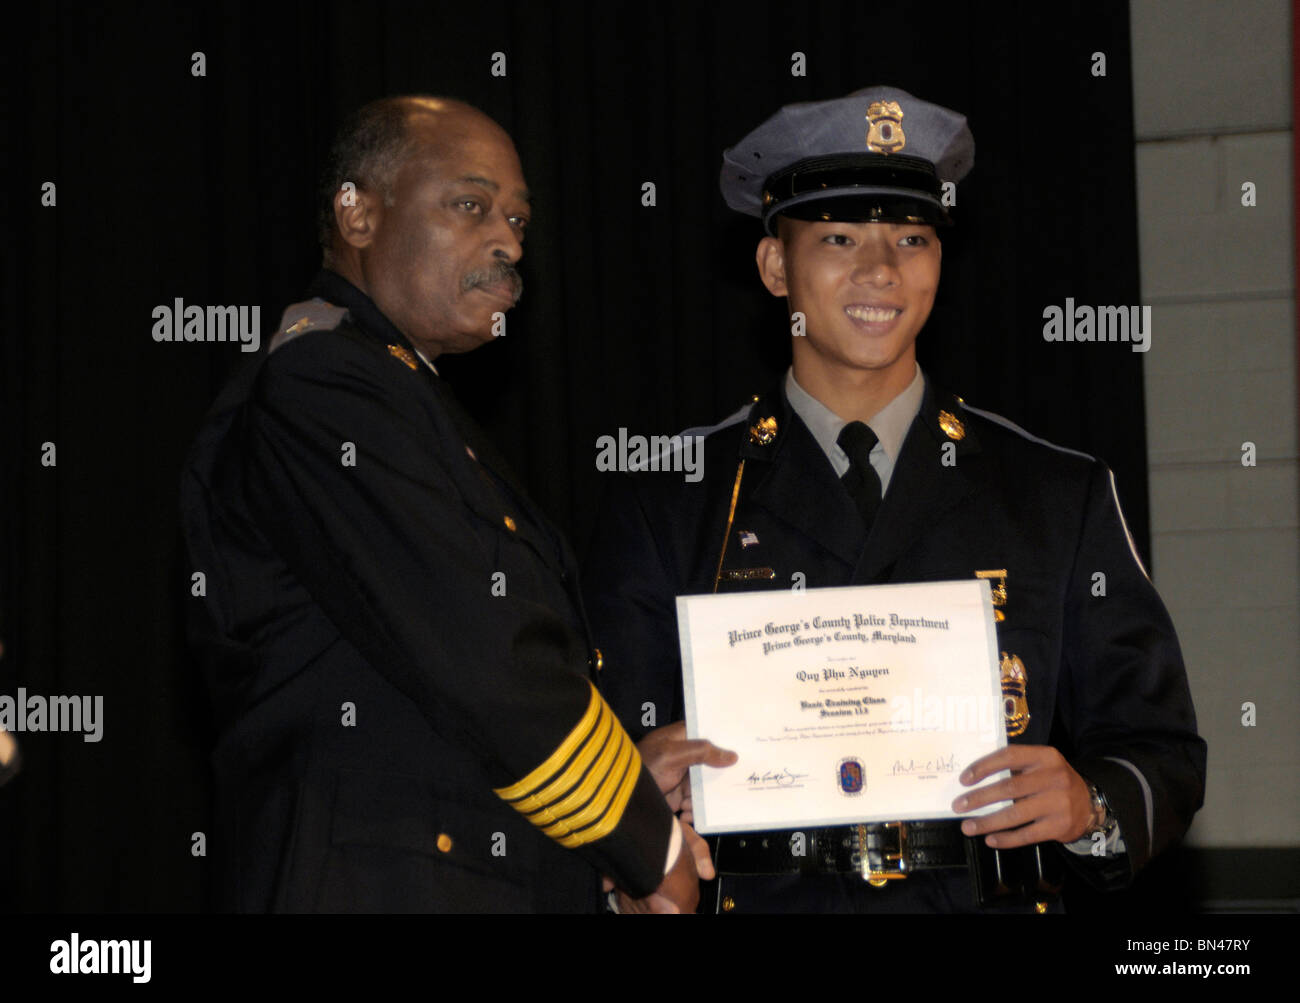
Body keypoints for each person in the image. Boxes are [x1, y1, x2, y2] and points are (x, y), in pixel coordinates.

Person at [582, 87, 1206, 913]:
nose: (881, 270)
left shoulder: (1056, 490)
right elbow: (597, 767)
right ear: (775, 267)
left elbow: (1161, 750)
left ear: (940, 264)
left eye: (911, 239)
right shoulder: (672, 500)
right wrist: (634, 795)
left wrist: (1089, 805)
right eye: (840, 238)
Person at [180, 95, 730, 913]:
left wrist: (620, 802)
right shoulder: (325, 381)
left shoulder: (403, 396)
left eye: (517, 218)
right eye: (470, 205)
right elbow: (484, 655)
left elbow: (450, 699)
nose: (508, 241)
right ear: (357, 213)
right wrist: (643, 839)